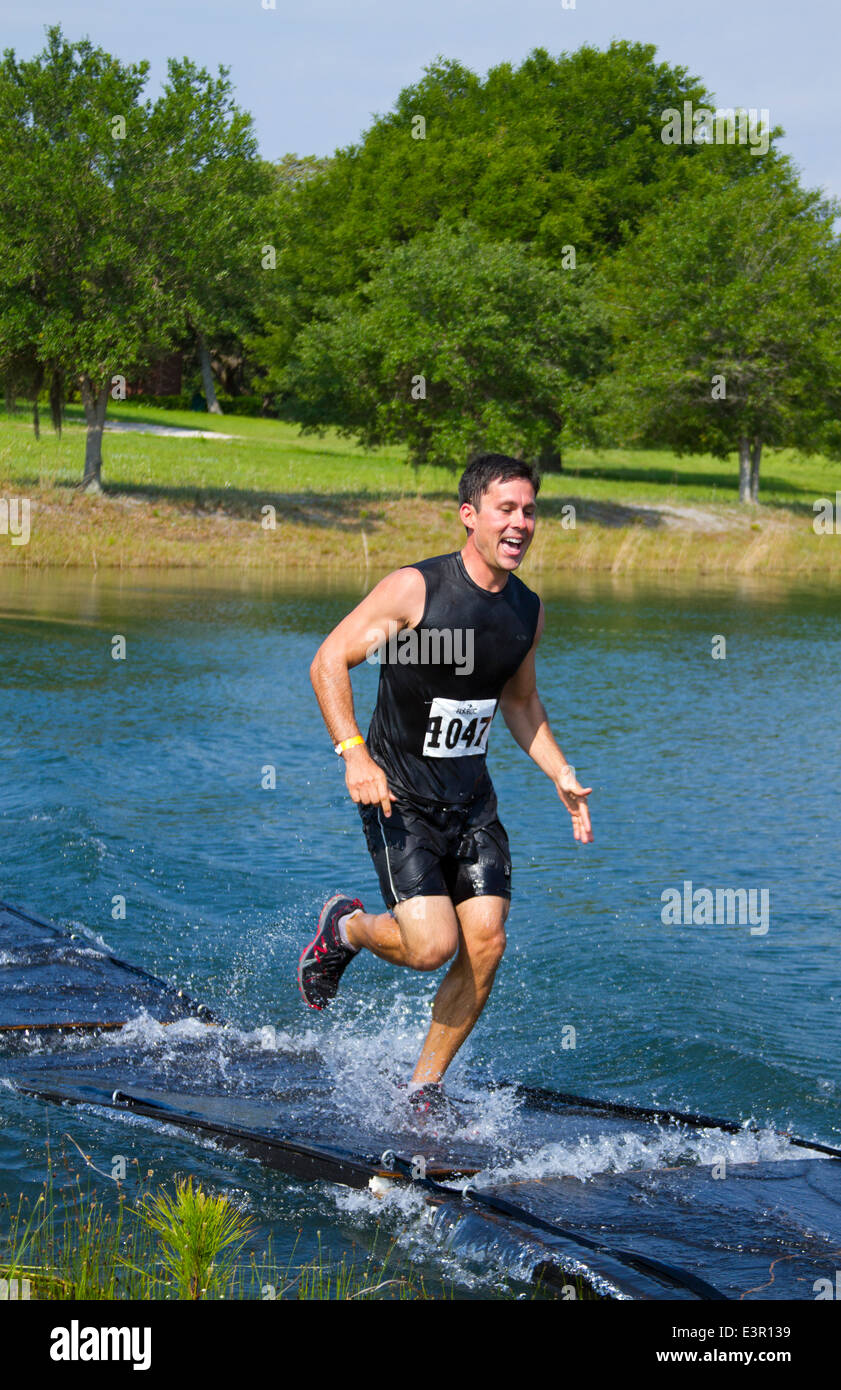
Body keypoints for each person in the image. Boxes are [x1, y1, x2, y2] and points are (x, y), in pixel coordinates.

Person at [299, 453, 593, 1113]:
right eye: (505, 509)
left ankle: (423, 1087)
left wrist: (560, 773)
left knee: (485, 941)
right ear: (470, 516)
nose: (520, 523)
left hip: (472, 804)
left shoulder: (526, 610)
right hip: (396, 794)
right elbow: (328, 660)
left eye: (529, 510)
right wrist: (353, 754)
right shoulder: (416, 590)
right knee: (432, 946)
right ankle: (345, 930)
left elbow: (519, 704)